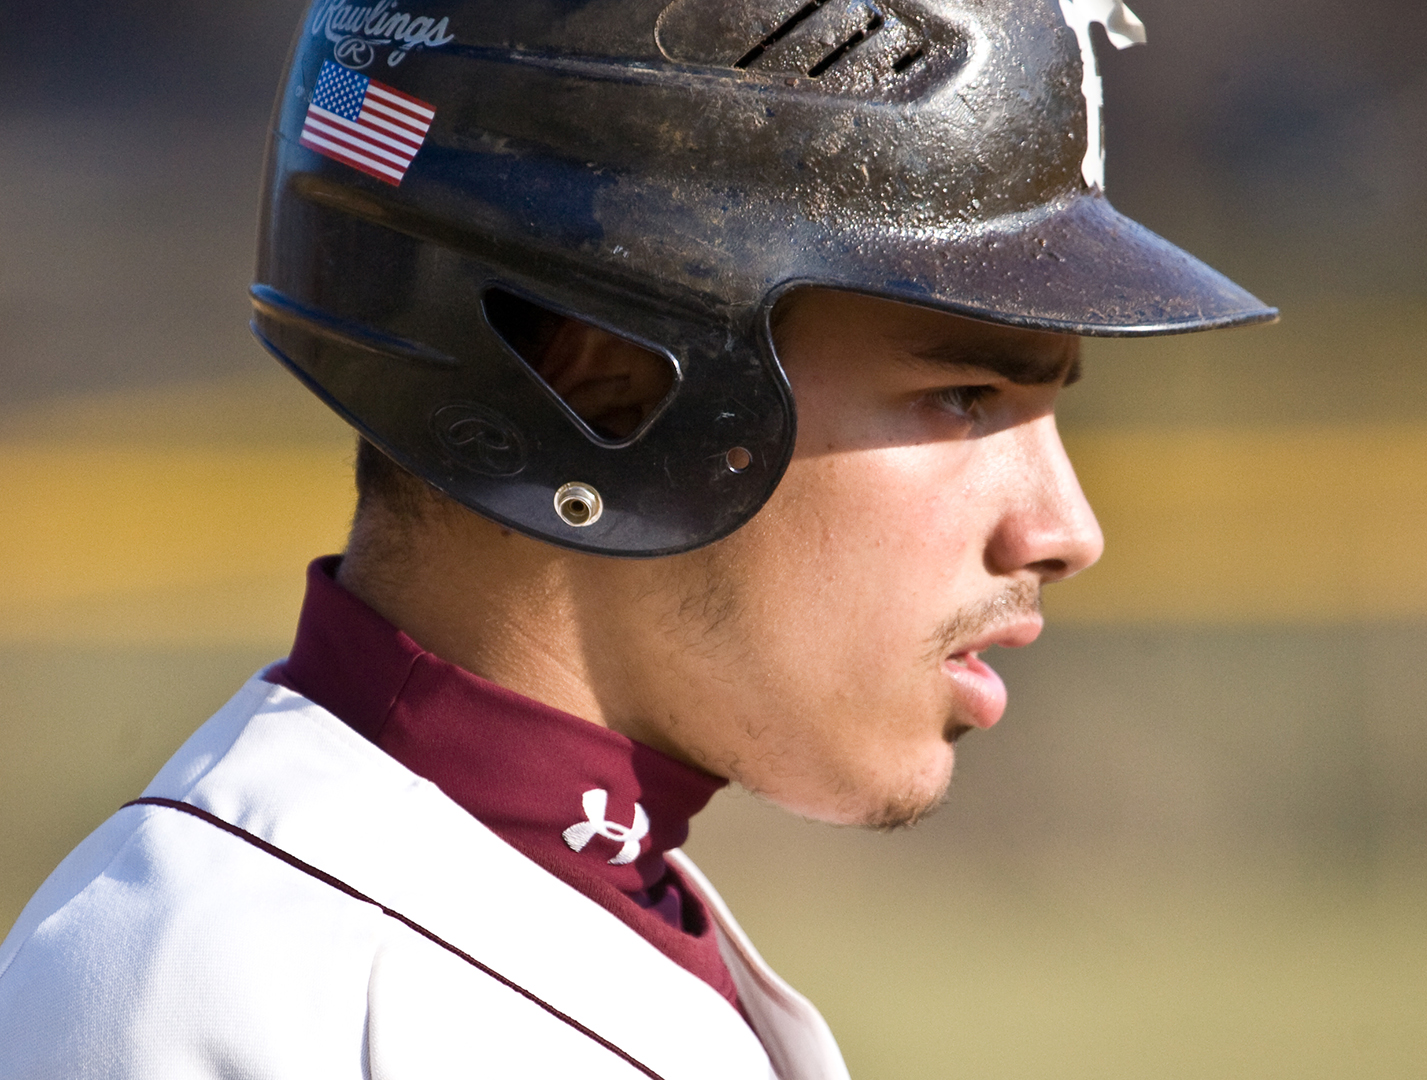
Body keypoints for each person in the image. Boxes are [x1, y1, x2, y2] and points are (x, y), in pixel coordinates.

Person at [0, 0, 1272, 1075]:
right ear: (614, 378)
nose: (1066, 529)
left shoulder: (538, 921)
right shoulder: (248, 1006)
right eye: (965, 396)